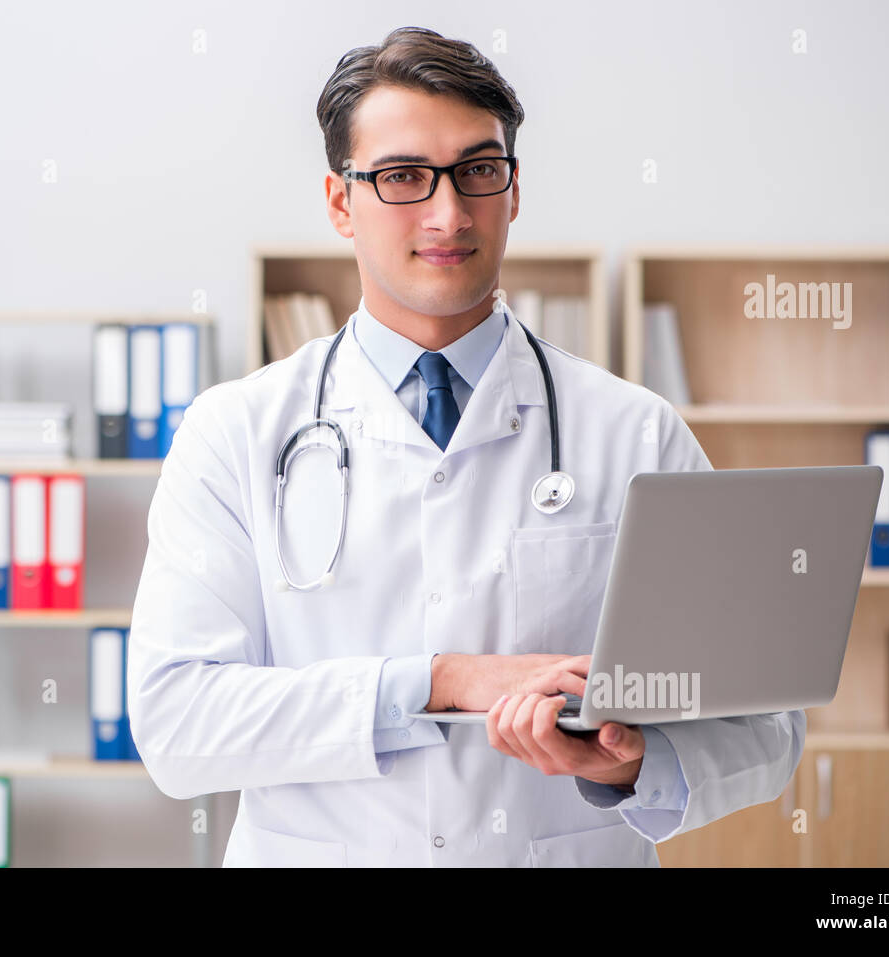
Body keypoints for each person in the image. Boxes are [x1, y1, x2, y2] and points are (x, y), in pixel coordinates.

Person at [127, 26, 805, 866]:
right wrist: (438, 681)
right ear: (341, 201)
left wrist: (636, 762)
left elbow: (768, 724)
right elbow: (179, 723)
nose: (449, 214)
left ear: (512, 191)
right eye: (404, 177)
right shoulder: (235, 433)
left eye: (479, 171)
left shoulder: (634, 431)